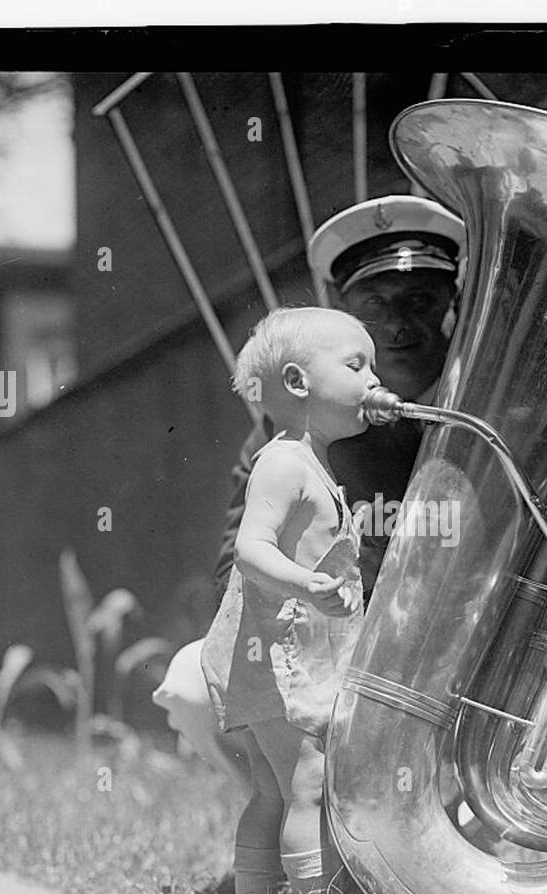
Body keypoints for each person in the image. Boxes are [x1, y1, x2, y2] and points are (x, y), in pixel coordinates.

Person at [153, 196, 464, 798]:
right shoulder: (288, 432)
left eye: (422, 302)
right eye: (374, 308)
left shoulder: (490, 414)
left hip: (457, 665)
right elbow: (233, 572)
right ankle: (301, 819)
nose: (399, 326)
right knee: (193, 682)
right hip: (333, 650)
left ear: (454, 309)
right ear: (345, 316)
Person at [199, 307, 381, 894]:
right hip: (277, 661)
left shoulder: (310, 461)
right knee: (307, 784)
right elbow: (251, 549)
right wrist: (308, 584)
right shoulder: (282, 463)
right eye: (357, 366)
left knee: (275, 790)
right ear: (300, 383)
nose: (372, 381)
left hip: (283, 655)